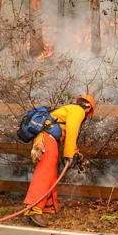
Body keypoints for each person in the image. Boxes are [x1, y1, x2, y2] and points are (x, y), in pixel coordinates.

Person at [24, 94, 95, 227]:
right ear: (88, 109)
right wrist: (69, 154)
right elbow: (72, 131)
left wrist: (75, 152)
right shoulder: (78, 111)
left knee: (50, 174)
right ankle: (34, 209)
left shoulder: (70, 109)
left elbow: (67, 133)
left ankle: (46, 208)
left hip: (48, 139)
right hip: (47, 138)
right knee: (45, 173)